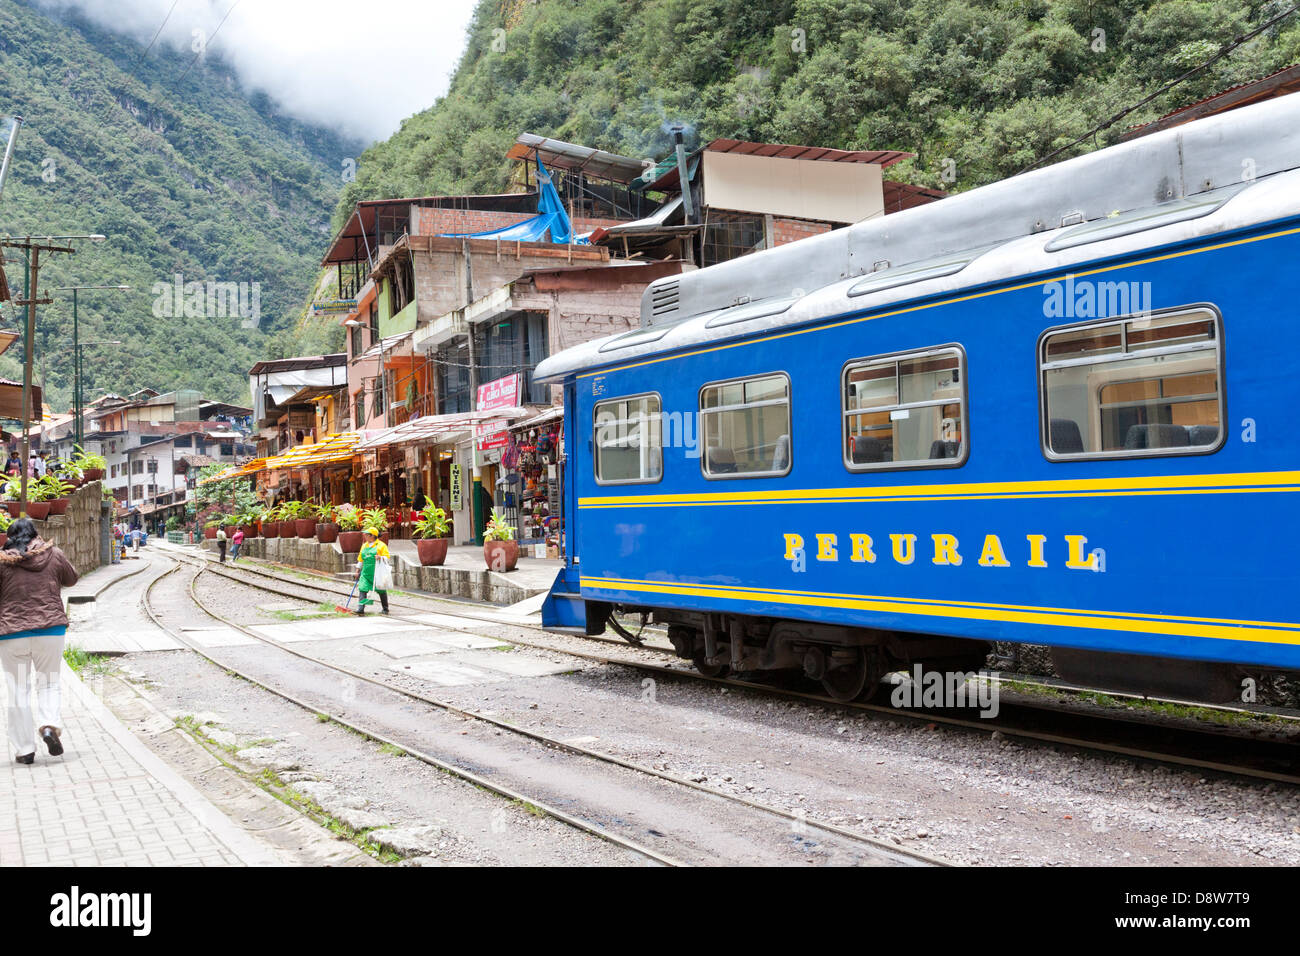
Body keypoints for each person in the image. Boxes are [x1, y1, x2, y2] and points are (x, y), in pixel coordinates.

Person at [0, 518, 79, 764]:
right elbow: (72, 578)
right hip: (50, 631)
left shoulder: (2, 562)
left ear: (9, 538)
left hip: (12, 634)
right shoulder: (53, 554)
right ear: (36, 535)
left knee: (18, 691)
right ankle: (49, 726)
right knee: (48, 683)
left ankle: (24, 750)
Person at [354, 527, 389, 616]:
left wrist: (380, 557)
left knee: (381, 590)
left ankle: (385, 608)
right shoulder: (364, 545)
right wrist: (357, 571)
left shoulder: (381, 545)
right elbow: (360, 559)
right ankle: (360, 608)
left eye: (366, 534)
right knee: (362, 588)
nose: (364, 535)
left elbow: (387, 558)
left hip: (377, 574)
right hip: (365, 573)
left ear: (372, 536)